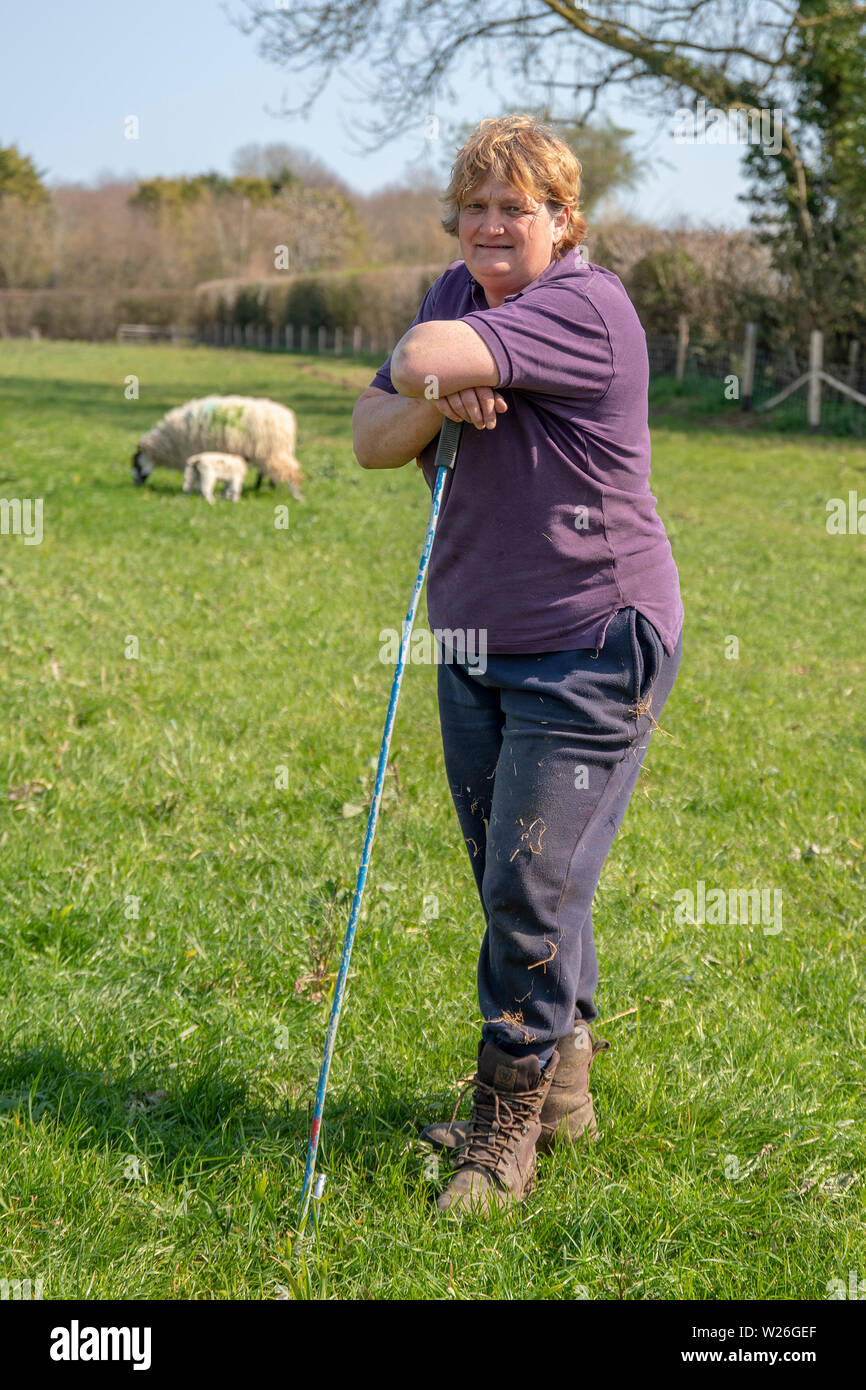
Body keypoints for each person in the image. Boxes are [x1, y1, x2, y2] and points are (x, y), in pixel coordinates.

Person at [351, 113, 684, 1216]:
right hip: (475, 638)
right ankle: (562, 1095)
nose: (490, 226)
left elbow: (410, 367)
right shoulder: (459, 291)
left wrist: (434, 381)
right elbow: (366, 431)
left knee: (527, 883)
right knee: (521, 876)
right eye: (474, 208)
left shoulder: (582, 306)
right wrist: (433, 393)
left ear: (562, 222)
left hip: (592, 635)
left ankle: (502, 1130)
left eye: (515, 208)